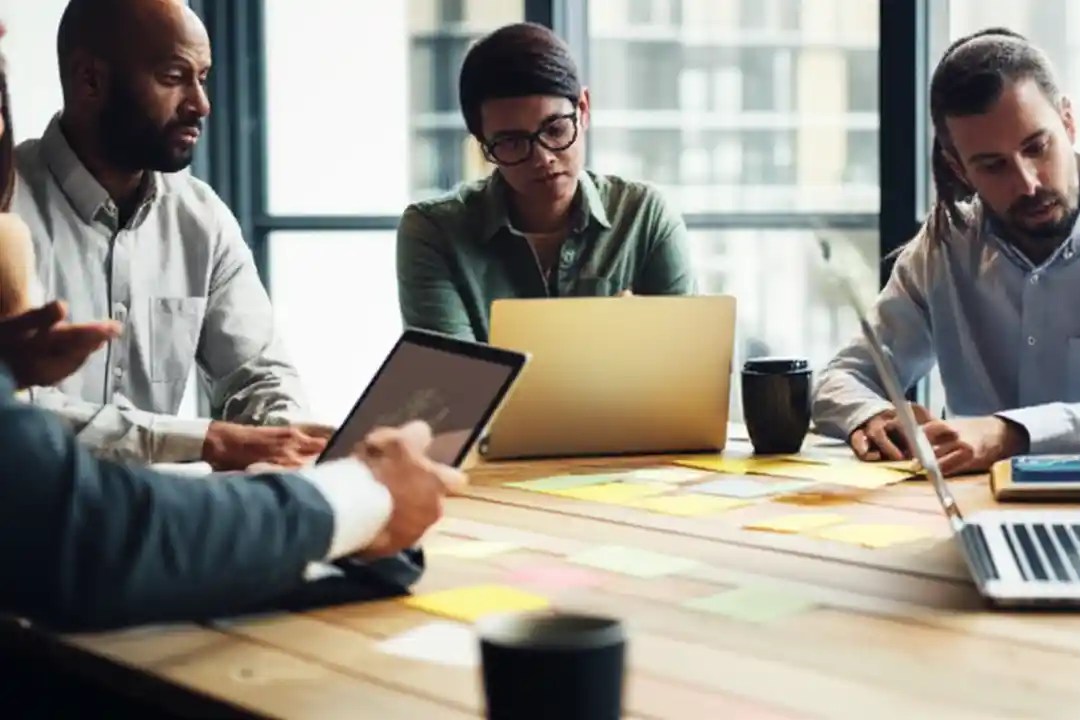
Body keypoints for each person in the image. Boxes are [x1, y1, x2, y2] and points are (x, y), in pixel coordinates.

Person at [812, 29, 1080, 476]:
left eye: (1037, 147)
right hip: (974, 514)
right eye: (993, 166)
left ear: (1068, 122)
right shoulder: (943, 251)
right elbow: (841, 378)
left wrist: (1011, 434)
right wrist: (872, 416)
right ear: (959, 169)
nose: (1027, 182)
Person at [0, 297, 466, 633]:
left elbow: (259, 366)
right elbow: (88, 531)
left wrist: (291, 452)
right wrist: (365, 493)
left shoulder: (197, 210)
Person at [10, 0, 322, 470]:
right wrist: (206, 441)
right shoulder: (7, 210)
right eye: (175, 77)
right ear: (90, 79)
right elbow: (16, 415)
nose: (201, 104)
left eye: (203, 77)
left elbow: (258, 374)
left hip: (156, 520)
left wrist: (291, 441)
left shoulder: (201, 218)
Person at [396, 22, 695, 342]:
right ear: (483, 146)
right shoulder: (435, 232)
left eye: (555, 130)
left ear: (583, 110)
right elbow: (459, 381)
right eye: (512, 142)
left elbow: (689, 365)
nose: (542, 158)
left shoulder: (644, 218)